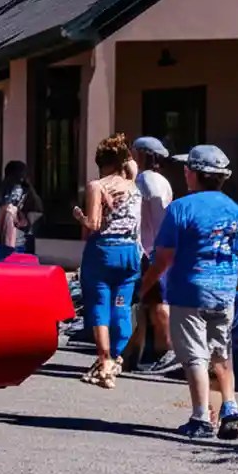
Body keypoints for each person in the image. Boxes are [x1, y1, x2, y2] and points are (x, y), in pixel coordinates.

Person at [139, 145, 238, 439]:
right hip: (224, 290)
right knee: (221, 352)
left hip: (189, 291)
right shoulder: (236, 211)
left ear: (194, 174)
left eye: (187, 168)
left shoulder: (181, 209)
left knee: (194, 355)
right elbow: (237, 254)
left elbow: (163, 259)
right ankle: (231, 407)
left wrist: (144, 286)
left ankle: (201, 418)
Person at [72, 133, 142, 389]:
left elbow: (94, 224)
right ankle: (117, 356)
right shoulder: (134, 186)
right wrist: (125, 155)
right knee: (121, 306)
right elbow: (132, 166)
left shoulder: (97, 186)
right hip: (129, 253)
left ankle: (104, 361)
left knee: (100, 305)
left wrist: (79, 215)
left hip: (102, 252)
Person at [126, 136, 177, 374]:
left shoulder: (147, 181)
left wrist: (156, 248)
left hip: (150, 249)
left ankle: (166, 348)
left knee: (157, 300)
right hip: (152, 248)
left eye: (135, 152)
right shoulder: (158, 180)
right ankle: (143, 351)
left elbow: (157, 216)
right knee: (148, 301)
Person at [0, 160, 42, 261]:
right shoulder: (24, 188)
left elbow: (6, 209)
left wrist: (0, 229)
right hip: (24, 236)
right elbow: (39, 208)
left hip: (12, 237)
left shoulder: (8, 187)